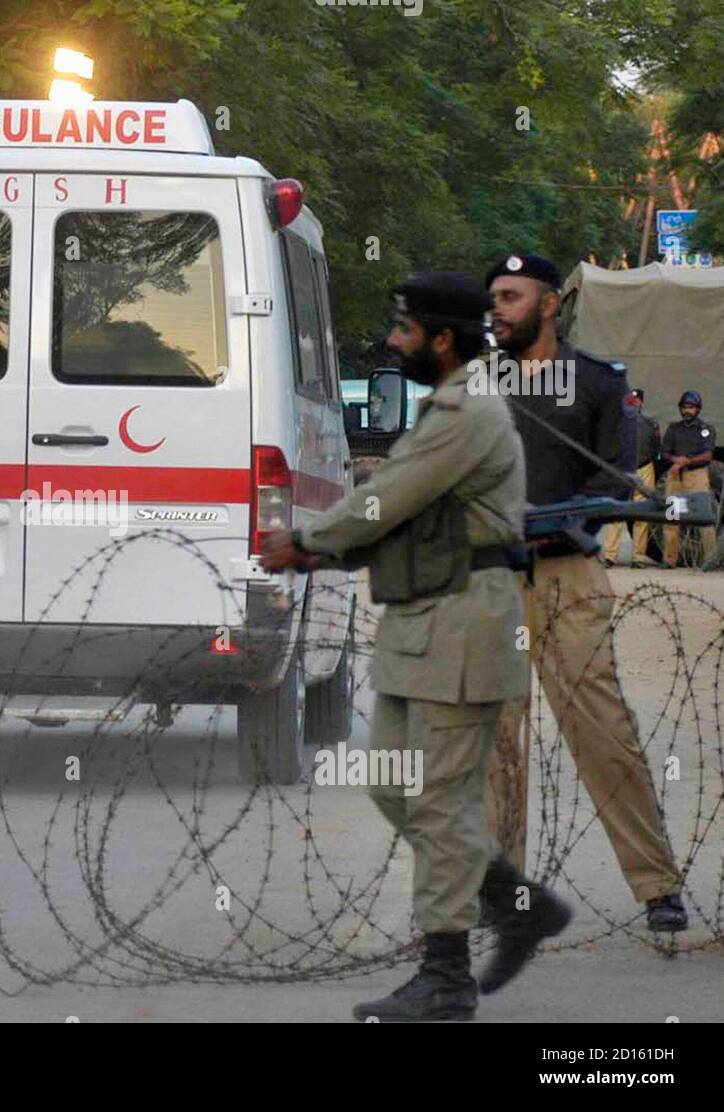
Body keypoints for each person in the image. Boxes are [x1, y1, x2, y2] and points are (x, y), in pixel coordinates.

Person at [261, 272, 570, 1021]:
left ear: (441, 339)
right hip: (417, 622)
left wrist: (304, 540)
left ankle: (444, 977)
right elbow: (393, 506)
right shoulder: (440, 410)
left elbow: (380, 501)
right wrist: (322, 548)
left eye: (405, 332)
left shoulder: (468, 413)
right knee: (397, 790)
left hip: (462, 625)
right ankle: (515, 904)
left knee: (438, 802)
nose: (394, 344)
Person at [484, 252, 687, 932]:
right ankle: (502, 895)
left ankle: (656, 886)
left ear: (548, 304)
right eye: (494, 298)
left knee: (603, 735)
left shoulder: (597, 384)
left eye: (513, 296)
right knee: (493, 745)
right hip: (490, 582)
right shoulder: (476, 383)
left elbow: (614, 481)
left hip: (568, 574)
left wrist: (559, 515)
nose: (499, 308)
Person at [600, 388, 659, 567]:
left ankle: (638, 557)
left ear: (641, 402)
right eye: (630, 401)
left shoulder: (651, 424)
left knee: (642, 513)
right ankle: (609, 555)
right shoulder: (617, 423)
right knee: (616, 512)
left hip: (644, 468)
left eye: (636, 401)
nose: (633, 403)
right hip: (622, 470)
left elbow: (656, 448)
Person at [659, 390, 716, 569]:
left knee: (703, 519)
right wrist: (676, 461)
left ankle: (711, 560)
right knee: (671, 518)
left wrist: (686, 461)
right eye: (684, 407)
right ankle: (669, 560)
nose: (687, 411)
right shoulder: (673, 429)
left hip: (696, 476)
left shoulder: (705, 429)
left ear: (697, 409)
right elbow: (664, 453)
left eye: (691, 407)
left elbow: (707, 455)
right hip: (675, 477)